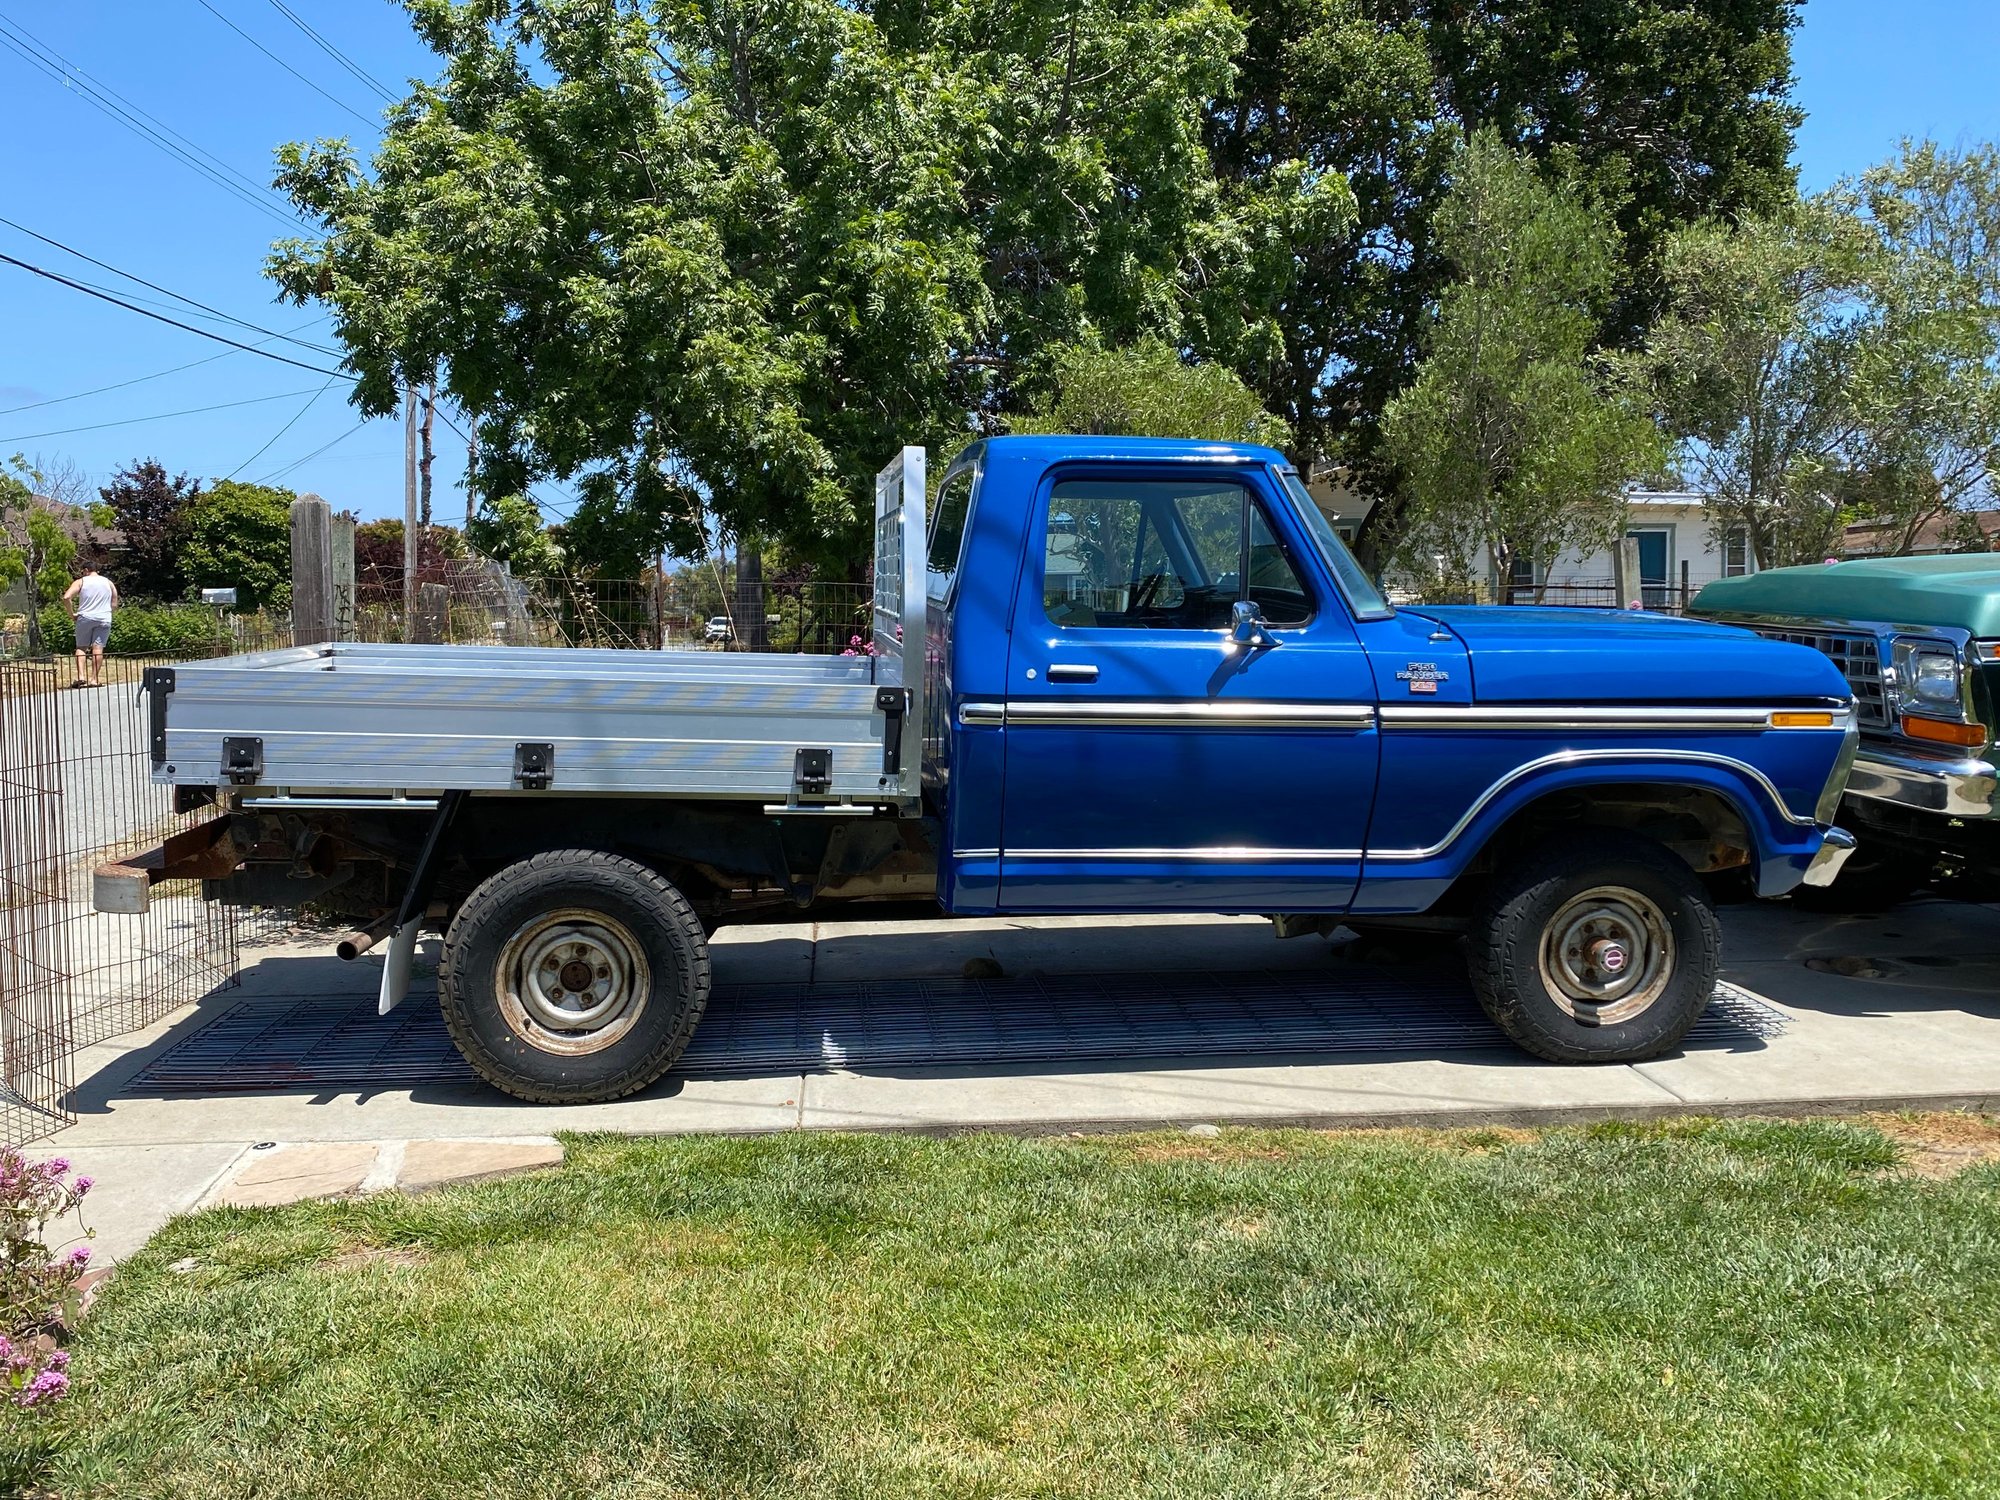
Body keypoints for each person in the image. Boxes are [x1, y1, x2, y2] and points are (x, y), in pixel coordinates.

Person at [62, 561, 118, 688]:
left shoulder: (81, 581)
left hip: (86, 617)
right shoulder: (108, 583)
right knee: (98, 649)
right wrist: (106, 612)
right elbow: (114, 604)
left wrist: (72, 614)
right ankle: (94, 679)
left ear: (86, 570)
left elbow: (66, 597)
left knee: (81, 647)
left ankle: (81, 676)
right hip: (104, 617)